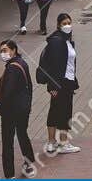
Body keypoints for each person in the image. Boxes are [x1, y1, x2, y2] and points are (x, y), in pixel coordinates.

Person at [35, 12, 82, 155]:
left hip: (67, 80)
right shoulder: (57, 41)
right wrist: (53, 86)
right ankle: (63, 142)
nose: (67, 25)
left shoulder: (66, 40)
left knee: (56, 110)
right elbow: (53, 65)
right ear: (58, 25)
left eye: (69, 23)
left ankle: (52, 143)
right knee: (63, 111)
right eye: (64, 23)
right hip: (61, 82)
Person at [0, 39, 38, 179]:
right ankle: (29, 161)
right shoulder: (22, 63)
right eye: (1, 51)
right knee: (22, 134)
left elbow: (8, 92)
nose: (3, 54)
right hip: (23, 108)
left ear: (14, 50)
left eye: (5, 50)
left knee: (7, 142)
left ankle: (9, 174)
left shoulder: (12, 68)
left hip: (11, 110)